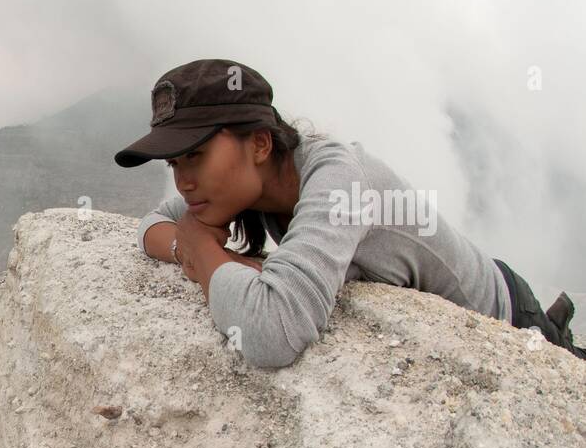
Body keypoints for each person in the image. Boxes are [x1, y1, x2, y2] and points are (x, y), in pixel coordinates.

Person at [114, 58, 584, 366]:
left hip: (509, 318)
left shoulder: (339, 178)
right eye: (173, 162)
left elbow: (273, 328)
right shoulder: (232, 191)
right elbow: (151, 226)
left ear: (259, 143)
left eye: (194, 155)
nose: (182, 180)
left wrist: (200, 249)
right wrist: (186, 243)